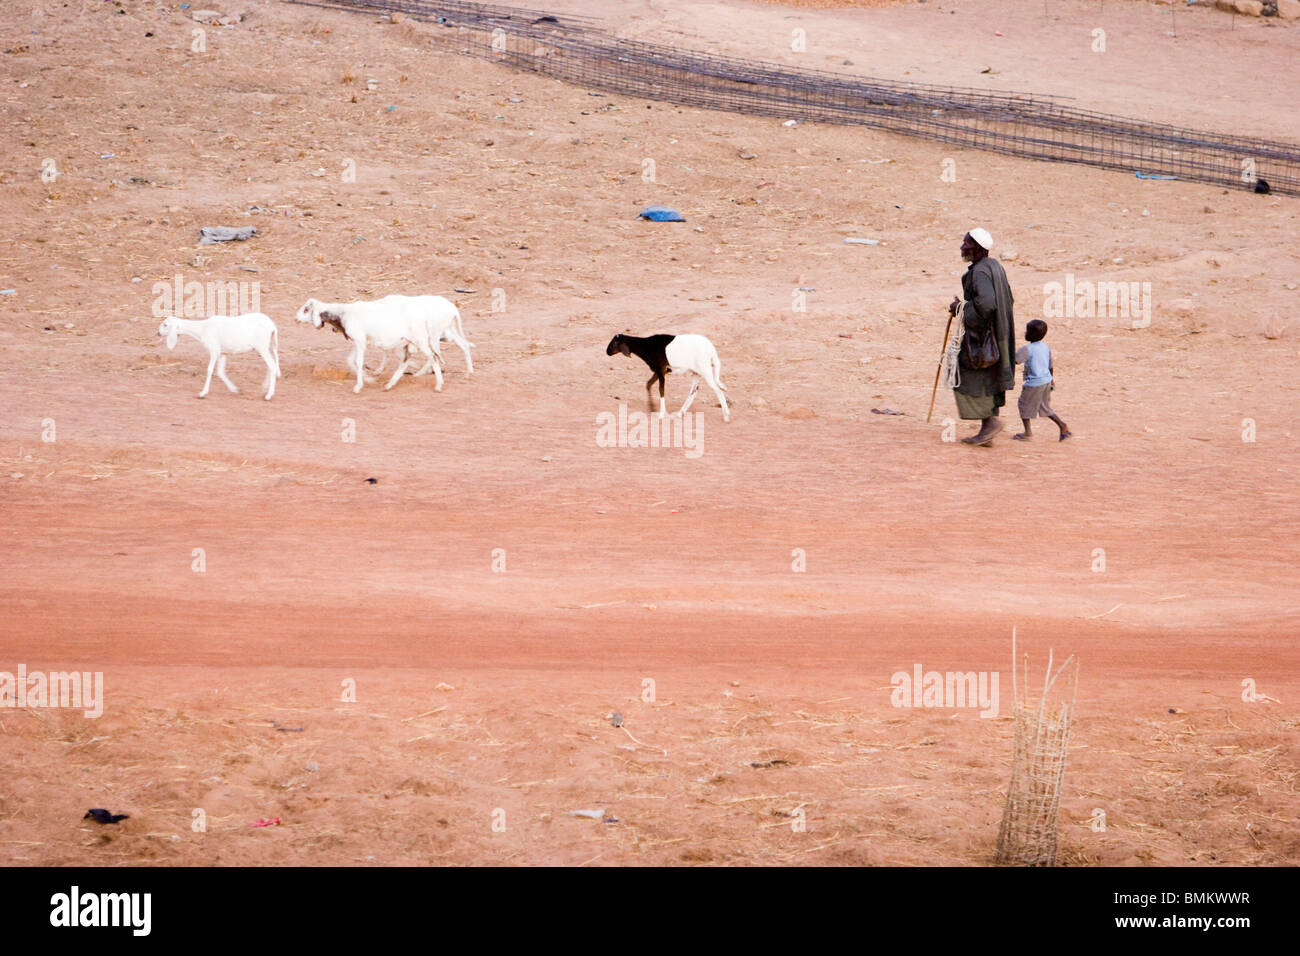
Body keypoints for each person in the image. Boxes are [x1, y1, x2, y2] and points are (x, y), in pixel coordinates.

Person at [948, 228, 1016, 446]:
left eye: (965, 243)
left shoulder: (979, 272)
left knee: (968, 375)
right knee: (988, 377)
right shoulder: (994, 266)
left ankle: (990, 422)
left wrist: (961, 308)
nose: (962, 247)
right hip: (998, 334)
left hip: (983, 338)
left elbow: (987, 305)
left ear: (976, 247)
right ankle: (988, 429)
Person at [1014, 320, 1071, 441]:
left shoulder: (1027, 349)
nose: (1025, 332)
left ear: (1031, 334)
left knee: (1024, 405)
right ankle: (1062, 426)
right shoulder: (1045, 347)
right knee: (1044, 407)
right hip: (1046, 381)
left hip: (1034, 383)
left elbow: (1015, 360)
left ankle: (1027, 433)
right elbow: (1050, 365)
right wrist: (1051, 380)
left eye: (1027, 331)